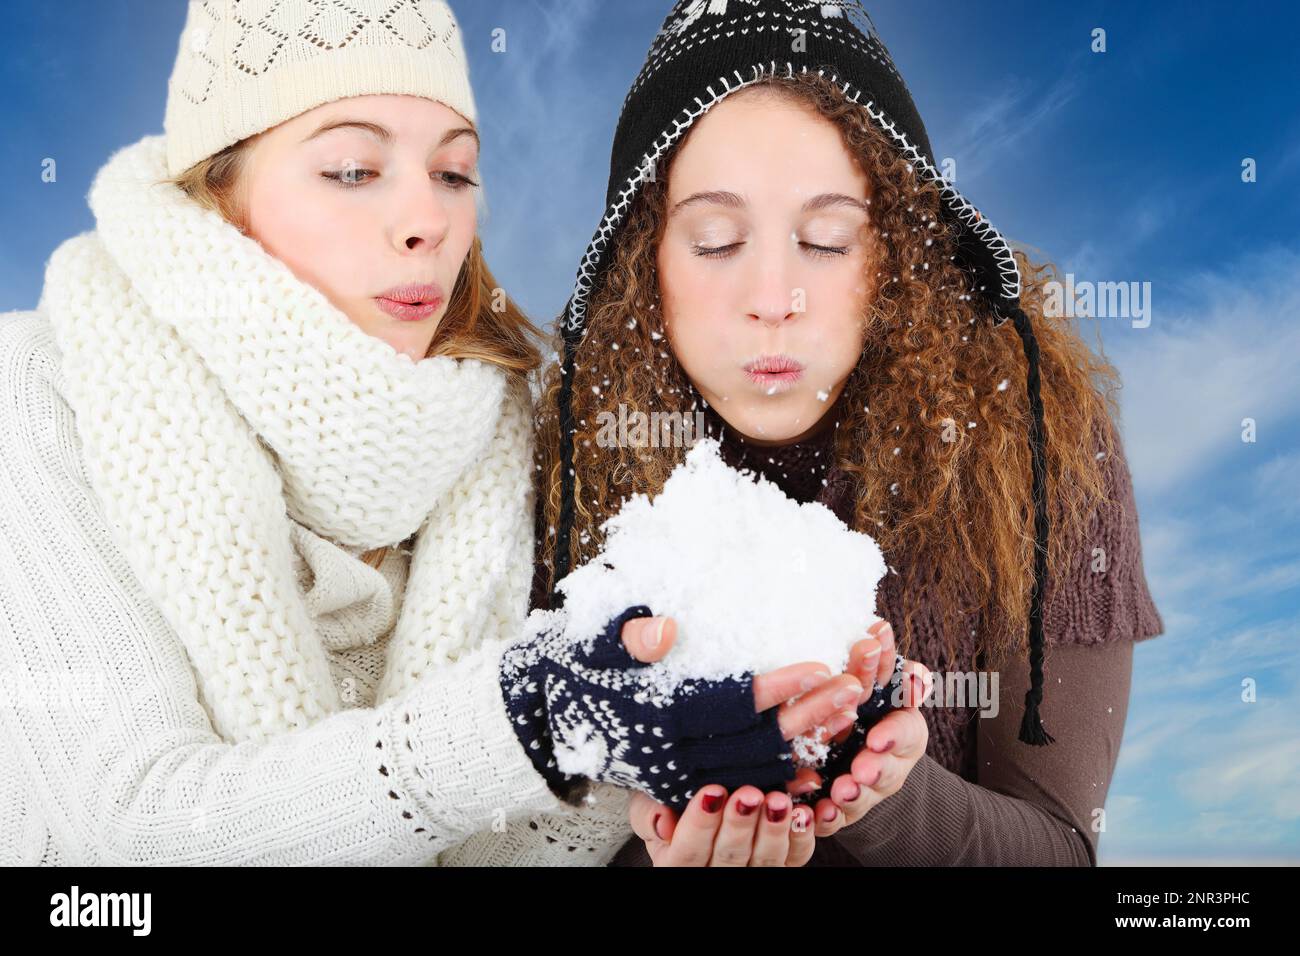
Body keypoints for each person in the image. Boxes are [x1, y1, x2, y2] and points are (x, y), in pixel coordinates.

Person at [0, 0, 854, 866]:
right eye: (350, 169)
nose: (428, 220)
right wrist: (535, 717)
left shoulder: (504, 433)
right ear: (220, 194)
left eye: (452, 173)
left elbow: (507, 828)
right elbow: (132, 823)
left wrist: (678, 757)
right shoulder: (41, 386)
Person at [529, 0, 1165, 866]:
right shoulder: (560, 468)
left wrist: (881, 796)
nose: (774, 297)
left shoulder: (1040, 443)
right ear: (644, 263)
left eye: (826, 240)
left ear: (895, 254)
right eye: (715, 241)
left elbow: (1058, 846)